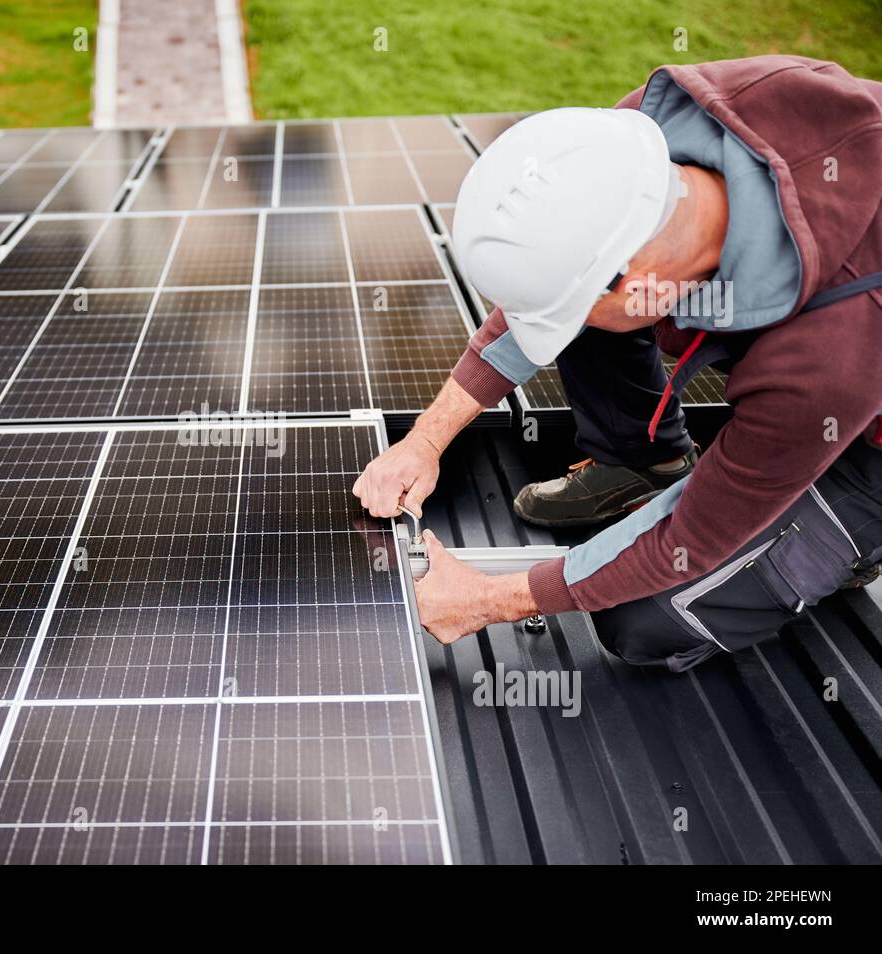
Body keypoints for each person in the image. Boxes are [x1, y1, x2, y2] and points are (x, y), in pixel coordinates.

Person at [353, 56, 882, 670]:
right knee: (580, 310)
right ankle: (644, 460)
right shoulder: (635, 142)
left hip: (867, 435)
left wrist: (487, 600)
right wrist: (423, 441)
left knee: (641, 621)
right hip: (766, 319)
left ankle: (855, 536)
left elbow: (694, 535)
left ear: (638, 280)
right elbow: (552, 281)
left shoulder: (826, 357)